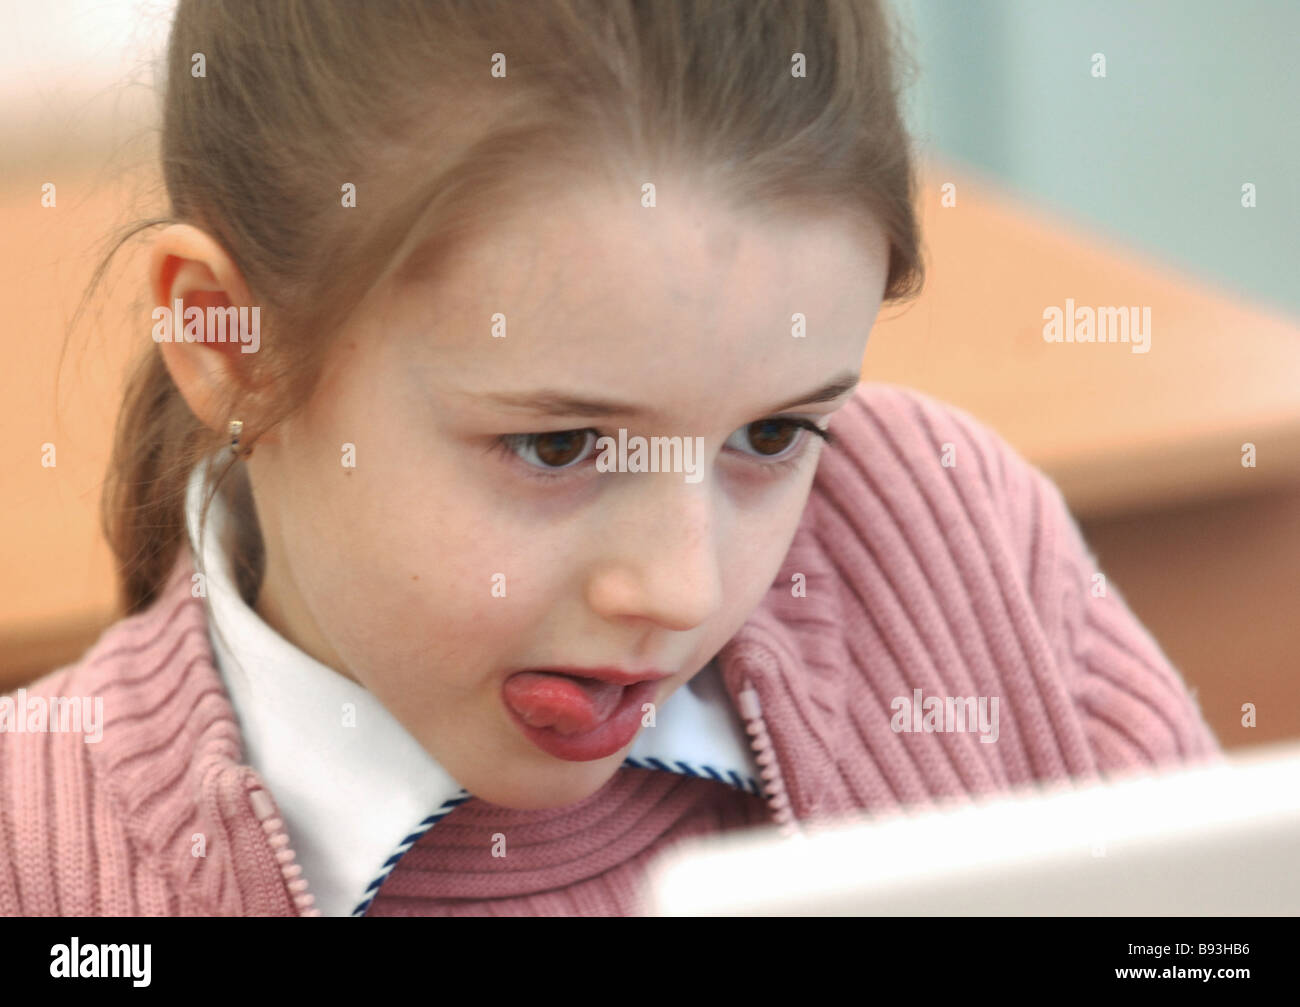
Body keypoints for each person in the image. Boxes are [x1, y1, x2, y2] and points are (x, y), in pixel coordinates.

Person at [0, 0, 1219, 917]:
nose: (684, 588)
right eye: (559, 443)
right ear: (234, 342)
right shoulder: (47, 863)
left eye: (771, 434)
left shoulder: (953, 537)